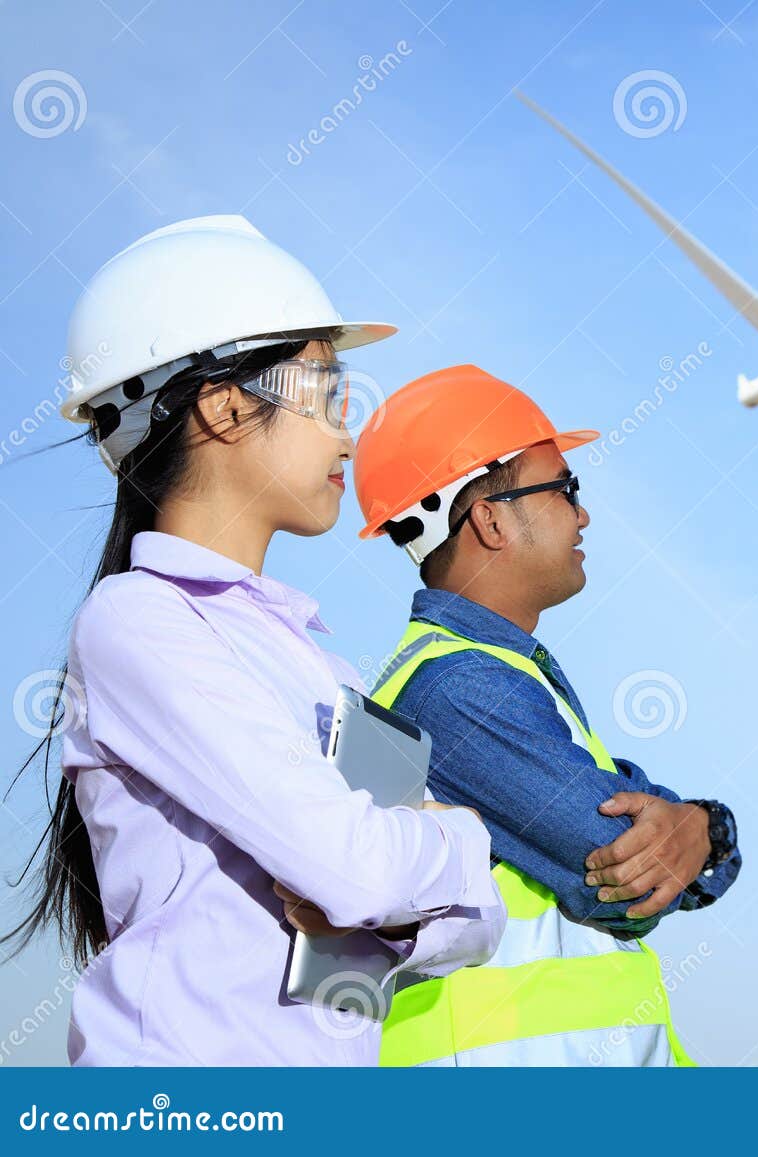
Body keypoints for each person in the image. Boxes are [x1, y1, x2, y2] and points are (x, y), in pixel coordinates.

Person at [1, 216, 506, 1065]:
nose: (348, 433)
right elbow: (358, 872)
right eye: (327, 393)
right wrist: (462, 838)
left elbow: (477, 922)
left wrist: (394, 897)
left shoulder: (321, 663)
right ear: (226, 406)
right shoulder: (140, 621)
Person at [353, 364, 741, 1067]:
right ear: (491, 519)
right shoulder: (459, 688)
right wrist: (699, 830)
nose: (582, 515)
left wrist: (697, 825)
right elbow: (626, 878)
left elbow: (622, 810)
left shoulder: (494, 675)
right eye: (565, 489)